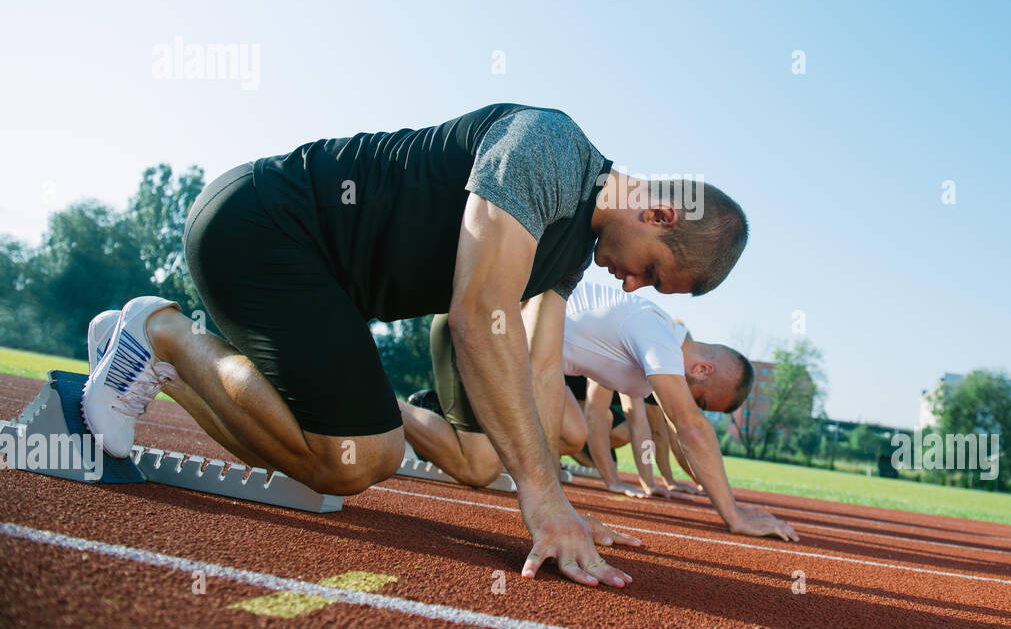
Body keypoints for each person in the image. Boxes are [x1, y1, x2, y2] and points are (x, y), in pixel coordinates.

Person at [81, 103, 747, 588]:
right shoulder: (552, 148)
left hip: (322, 288)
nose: (633, 284)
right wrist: (541, 495)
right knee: (362, 456)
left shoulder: (572, 248)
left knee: (377, 457)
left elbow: (541, 371)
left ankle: (157, 356)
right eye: (652, 270)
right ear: (658, 214)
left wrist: (559, 499)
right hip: (260, 225)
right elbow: (477, 313)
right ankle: (160, 332)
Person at [402, 280, 796, 541]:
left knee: (572, 436)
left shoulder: (647, 362)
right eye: (705, 401)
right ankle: (396, 409)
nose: (697, 409)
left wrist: (619, 482)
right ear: (702, 370)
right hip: (484, 330)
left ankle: (467, 428)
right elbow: (689, 428)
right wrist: (734, 516)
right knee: (479, 468)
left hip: (527, 361)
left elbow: (626, 422)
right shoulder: (655, 336)